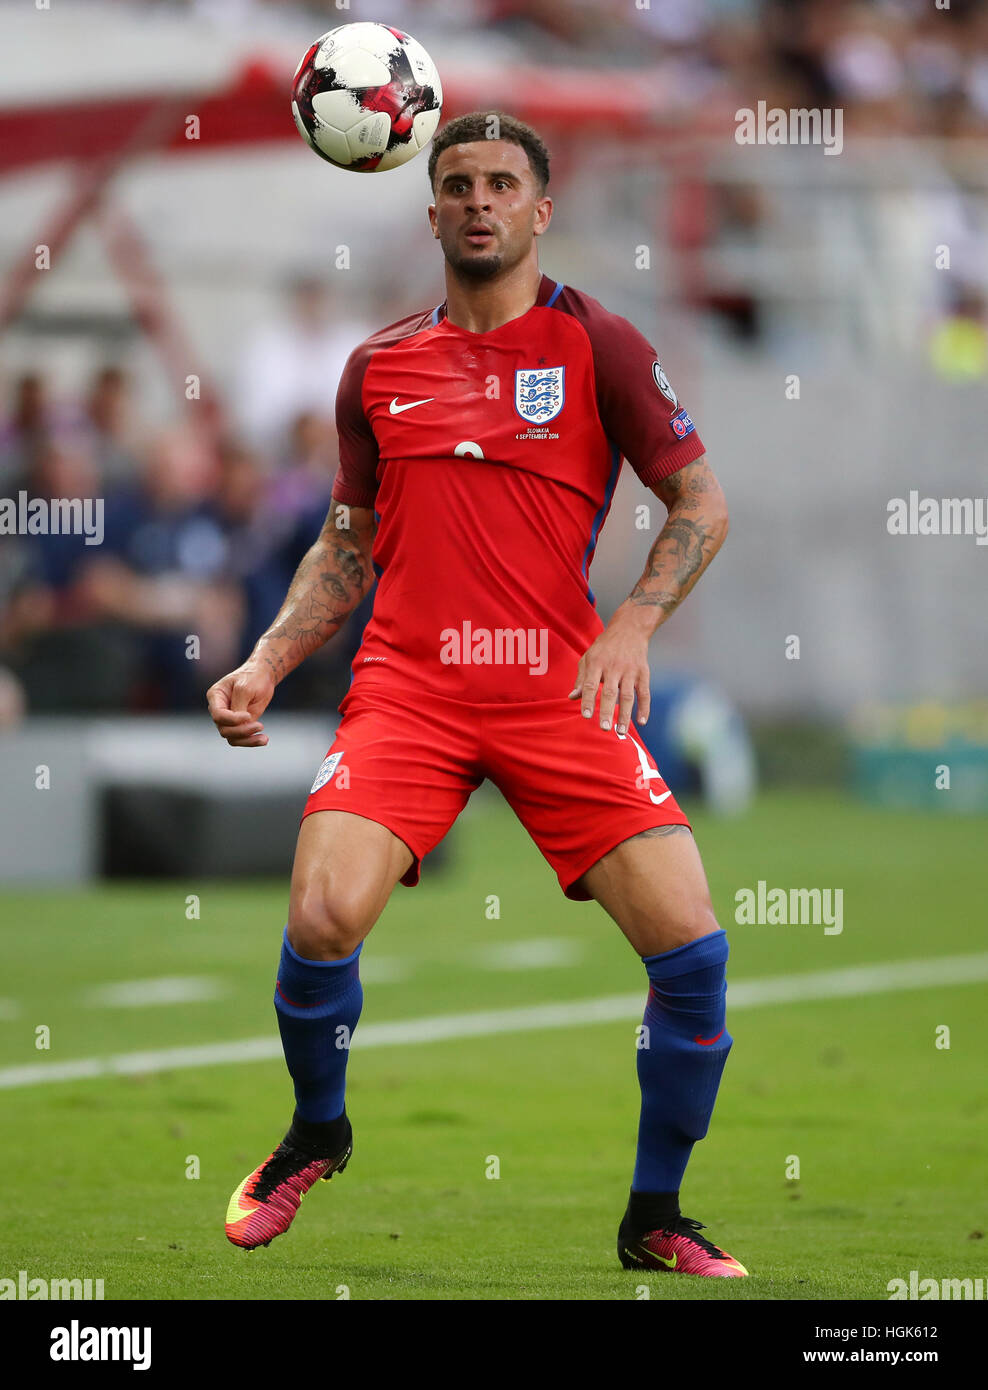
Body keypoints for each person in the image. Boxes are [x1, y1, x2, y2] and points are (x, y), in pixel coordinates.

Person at [207, 111, 746, 1279]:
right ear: (431, 206)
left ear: (541, 209)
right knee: (320, 915)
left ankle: (655, 1214)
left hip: (558, 686)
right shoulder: (379, 366)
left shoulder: (599, 345)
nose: (479, 201)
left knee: (691, 950)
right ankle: (318, 1131)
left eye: (503, 183)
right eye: (457, 184)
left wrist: (635, 622)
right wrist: (264, 661)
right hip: (410, 687)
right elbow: (345, 543)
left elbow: (698, 504)